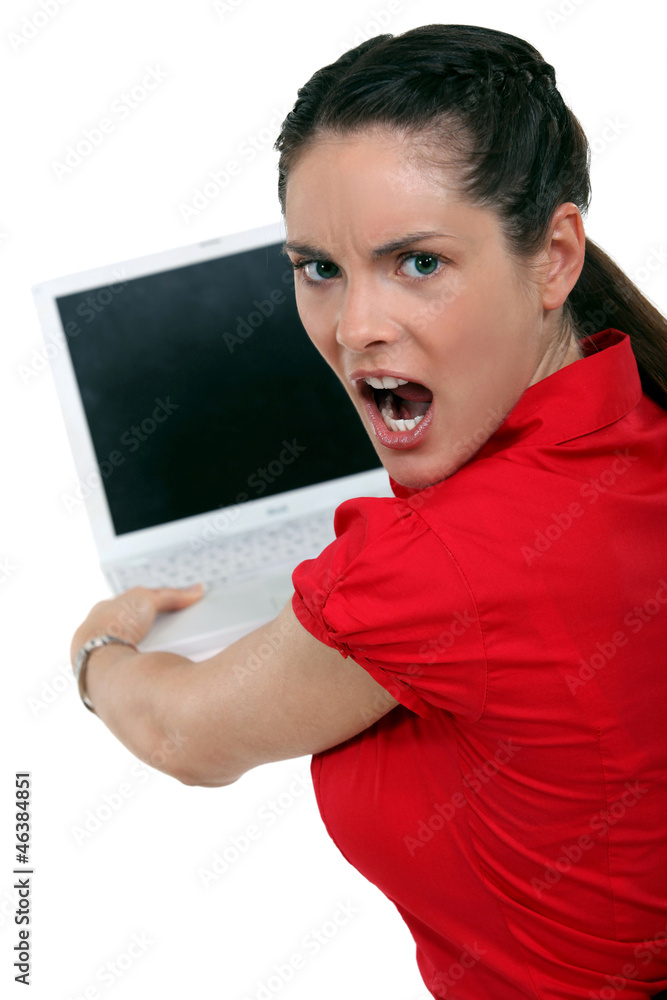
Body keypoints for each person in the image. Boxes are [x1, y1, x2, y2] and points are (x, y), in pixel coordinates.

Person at [70, 23, 667, 1000]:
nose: (354, 329)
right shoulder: (635, 404)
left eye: (418, 263)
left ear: (555, 256)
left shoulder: (434, 566)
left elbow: (183, 734)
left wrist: (101, 655)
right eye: (319, 268)